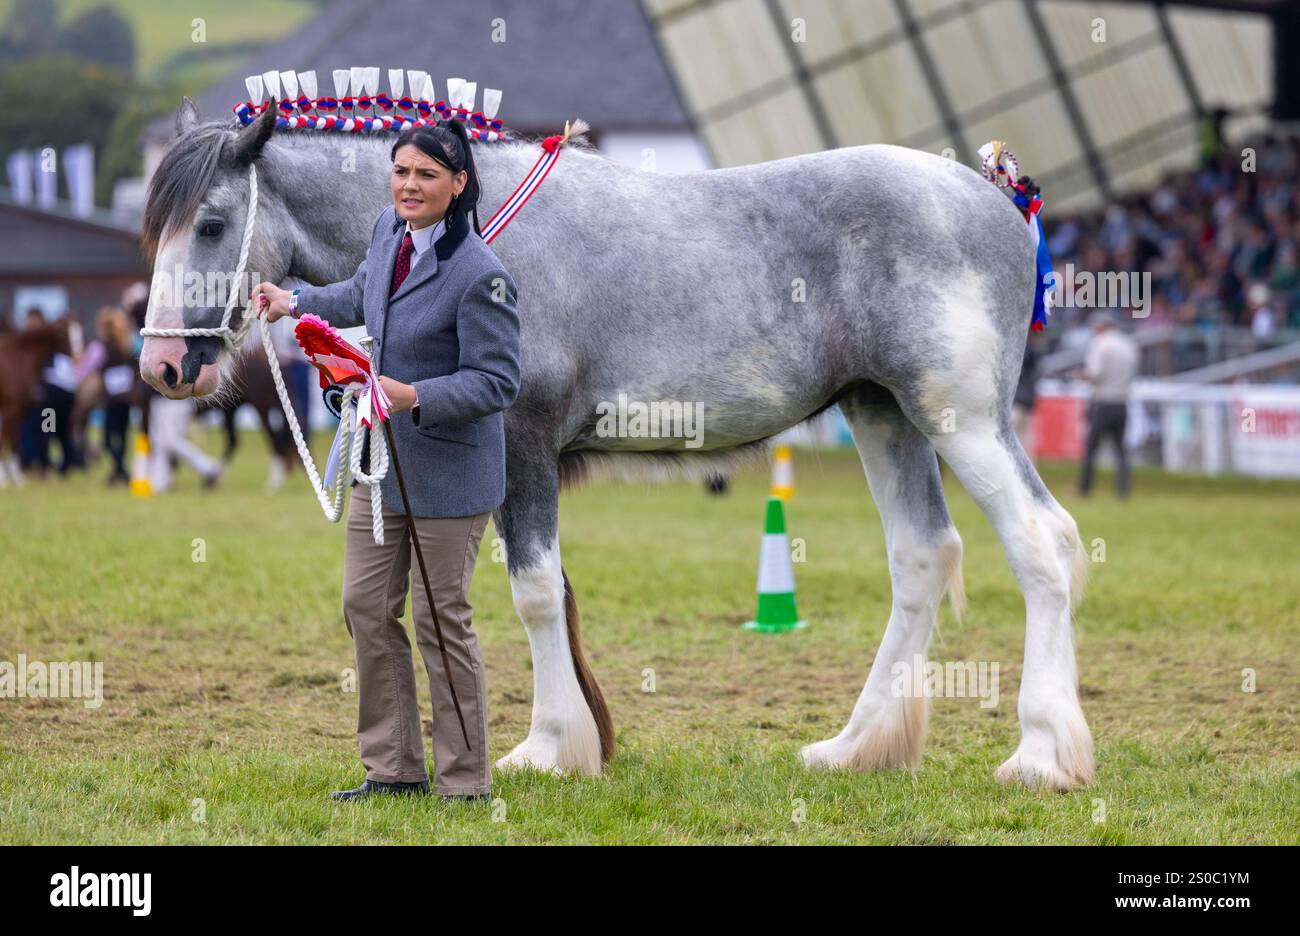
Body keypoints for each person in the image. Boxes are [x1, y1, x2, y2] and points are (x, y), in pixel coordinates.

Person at [255, 118, 521, 803]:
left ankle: (465, 782)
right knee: (365, 605)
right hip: (380, 465)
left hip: (451, 476)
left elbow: (498, 383)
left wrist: (412, 394)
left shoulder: (482, 277)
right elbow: (361, 293)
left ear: (458, 185)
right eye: (402, 171)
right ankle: (393, 770)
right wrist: (296, 302)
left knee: (440, 619)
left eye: (427, 174)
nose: (410, 184)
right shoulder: (385, 232)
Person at [1078, 311, 1139, 497]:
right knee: (1120, 449)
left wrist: (1081, 376)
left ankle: (1085, 489)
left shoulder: (1100, 344)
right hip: (1122, 402)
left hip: (1103, 402)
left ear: (1101, 325)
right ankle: (1123, 489)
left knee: (1091, 448)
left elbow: (1095, 374)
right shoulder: (1129, 344)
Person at [96, 306, 137, 485]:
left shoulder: (104, 348)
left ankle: (120, 469)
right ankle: (119, 470)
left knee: (108, 439)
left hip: (112, 400)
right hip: (126, 399)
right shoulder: (127, 347)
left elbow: (96, 368)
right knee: (122, 436)